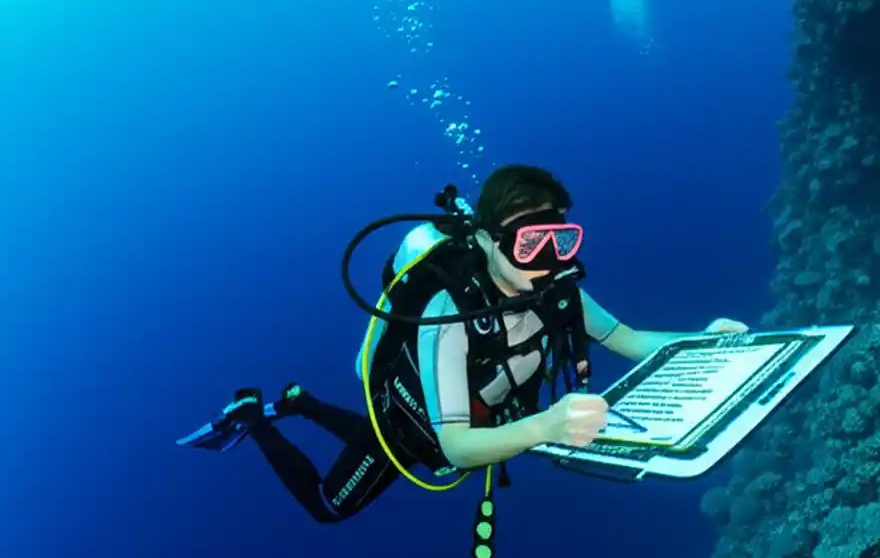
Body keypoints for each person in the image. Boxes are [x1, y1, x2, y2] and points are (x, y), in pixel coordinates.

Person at [182, 164, 748, 526]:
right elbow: (454, 448)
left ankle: (302, 402)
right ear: (485, 239)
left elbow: (630, 338)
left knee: (357, 436)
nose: (550, 260)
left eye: (561, 239)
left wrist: (703, 341)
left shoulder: (558, 294)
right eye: (529, 244)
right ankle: (256, 417)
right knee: (331, 506)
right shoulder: (449, 313)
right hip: (413, 433)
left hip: (479, 421)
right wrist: (549, 427)